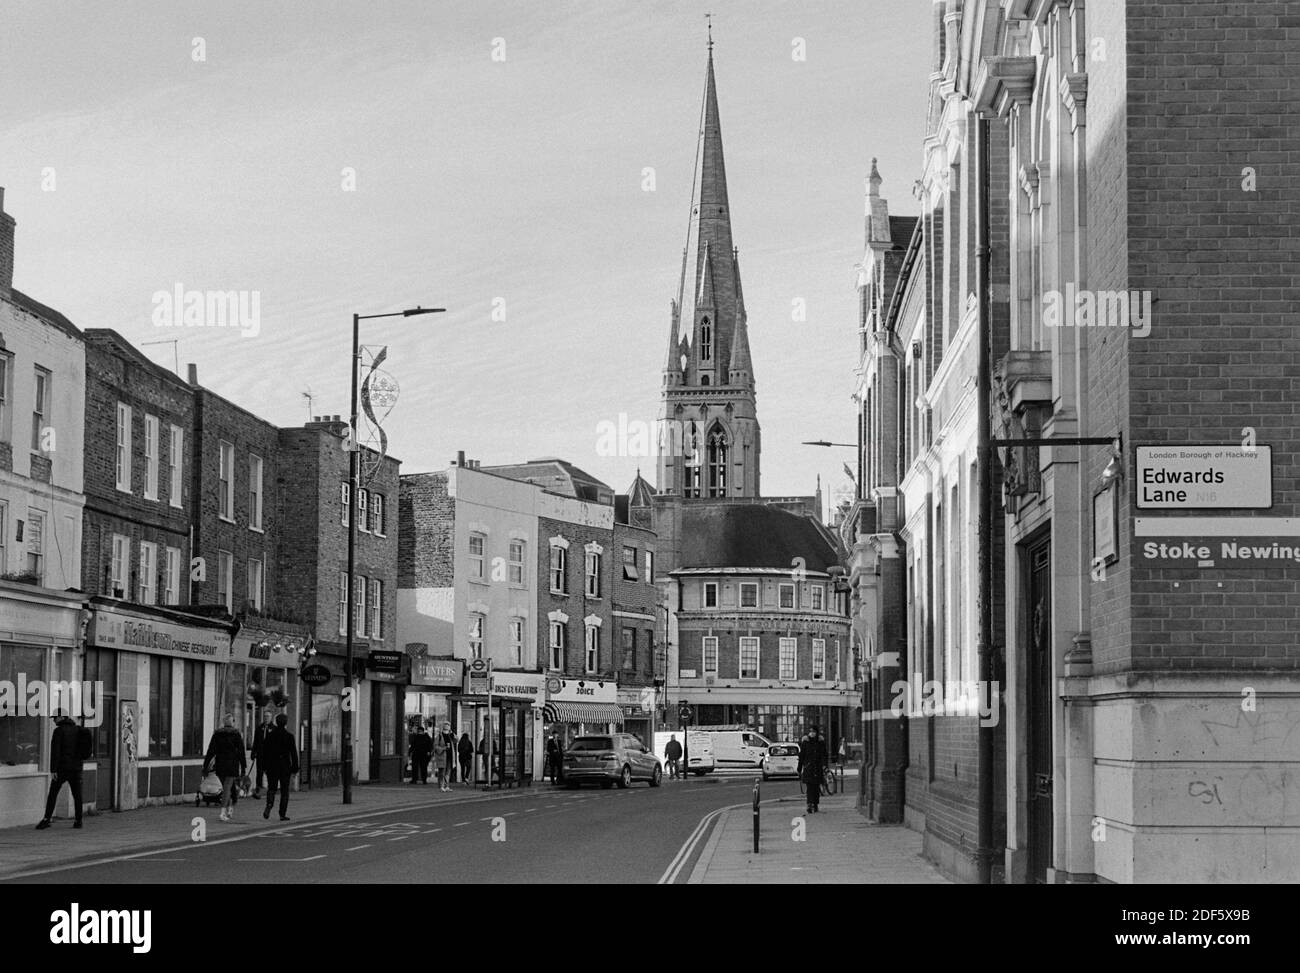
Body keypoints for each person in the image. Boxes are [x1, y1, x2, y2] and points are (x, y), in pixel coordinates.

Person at [35, 713, 91, 830]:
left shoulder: (59, 731)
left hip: (62, 769)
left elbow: (55, 751)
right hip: (76, 768)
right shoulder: (78, 730)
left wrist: (53, 770)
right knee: (77, 795)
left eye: (55, 718)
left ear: (62, 718)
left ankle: (46, 819)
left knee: (53, 794)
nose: (54, 721)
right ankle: (78, 820)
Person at [203, 713, 247, 822]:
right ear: (232, 722)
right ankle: (223, 811)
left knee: (226, 787)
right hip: (232, 763)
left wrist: (205, 766)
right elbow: (241, 751)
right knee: (228, 787)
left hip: (220, 763)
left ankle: (230, 807)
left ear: (224, 723)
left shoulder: (217, 734)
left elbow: (210, 750)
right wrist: (244, 766)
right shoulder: (236, 734)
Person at [260, 714, 299, 822]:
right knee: (284, 791)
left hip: (272, 766)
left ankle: (269, 804)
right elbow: (293, 754)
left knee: (272, 788)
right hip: (285, 767)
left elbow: (265, 752)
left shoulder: (270, 735)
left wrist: (264, 766)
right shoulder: (289, 736)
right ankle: (282, 814)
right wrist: (295, 768)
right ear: (285, 723)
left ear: (276, 722)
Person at [798, 725, 829, 814]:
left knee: (816, 787)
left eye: (814, 731)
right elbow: (802, 756)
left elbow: (824, 755)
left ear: (816, 732)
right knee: (810, 787)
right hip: (809, 768)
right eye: (810, 731)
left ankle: (815, 804)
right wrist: (799, 768)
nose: (812, 733)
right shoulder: (805, 742)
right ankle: (809, 804)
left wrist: (824, 765)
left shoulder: (820, 742)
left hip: (818, 767)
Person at [250, 711, 273, 799]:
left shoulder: (273, 729)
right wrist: (253, 752)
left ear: (271, 718)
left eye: (268, 716)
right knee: (259, 773)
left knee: (269, 773)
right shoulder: (259, 728)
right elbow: (255, 741)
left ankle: (271, 790)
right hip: (260, 754)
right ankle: (258, 790)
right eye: (265, 716)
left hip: (269, 756)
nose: (266, 718)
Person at [432, 725, 450, 791]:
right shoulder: (439, 737)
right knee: (442, 772)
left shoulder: (450, 736)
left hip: (449, 757)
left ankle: (446, 786)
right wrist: (443, 748)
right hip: (442, 756)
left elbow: (456, 739)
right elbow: (435, 746)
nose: (446, 730)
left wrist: (453, 734)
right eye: (445, 729)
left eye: (448, 729)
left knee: (447, 772)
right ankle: (441, 786)